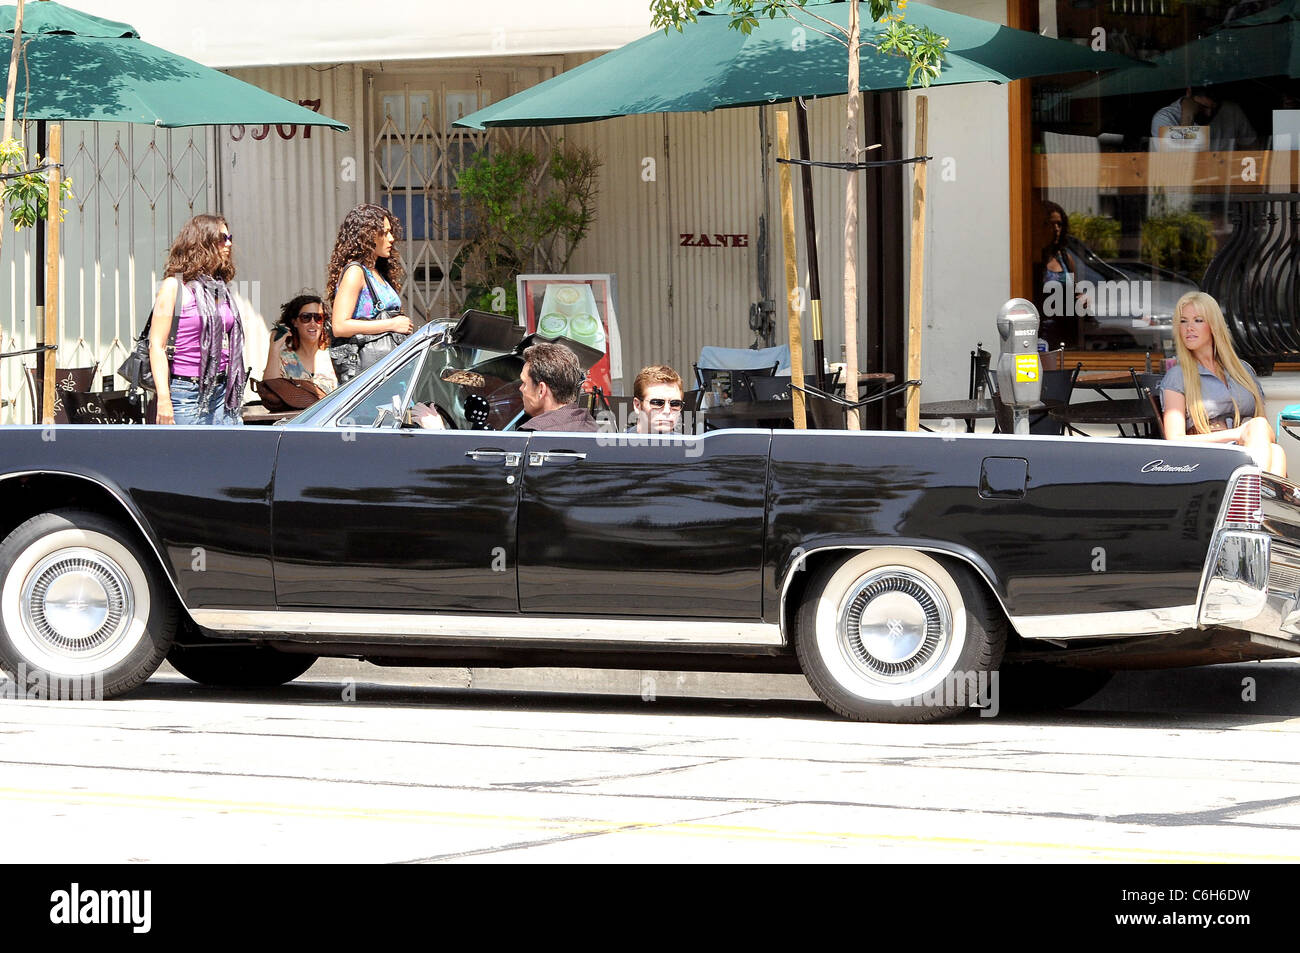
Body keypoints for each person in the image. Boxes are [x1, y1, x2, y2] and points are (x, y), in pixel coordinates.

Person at [1160, 291, 1286, 476]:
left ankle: (1250, 498)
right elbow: (1174, 439)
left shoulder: (1243, 371)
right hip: (1205, 458)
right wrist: (1237, 434)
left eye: (1198, 320)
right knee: (1271, 446)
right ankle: (1252, 498)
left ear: (1213, 326)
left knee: (1275, 450)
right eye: (1183, 321)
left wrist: (1248, 433)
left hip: (1244, 450)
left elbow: (1267, 432)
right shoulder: (1177, 376)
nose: (1189, 328)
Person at [148, 214, 247, 425]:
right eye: (221, 238)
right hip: (188, 394)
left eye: (229, 237)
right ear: (202, 242)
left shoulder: (220, 288)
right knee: (191, 457)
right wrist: (164, 400)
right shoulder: (174, 287)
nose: (228, 243)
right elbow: (157, 345)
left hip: (223, 392)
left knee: (231, 456)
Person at [324, 204, 414, 380]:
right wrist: (392, 325)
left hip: (389, 368)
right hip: (370, 375)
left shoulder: (377, 272)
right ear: (368, 235)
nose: (391, 239)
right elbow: (340, 326)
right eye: (385, 232)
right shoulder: (355, 272)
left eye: (391, 232)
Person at [264, 292, 337, 395]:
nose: (313, 323)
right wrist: (274, 348)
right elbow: (269, 390)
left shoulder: (334, 356)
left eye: (318, 318)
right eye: (306, 317)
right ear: (295, 322)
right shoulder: (283, 359)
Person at [518, 341, 598, 432]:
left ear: (541, 390)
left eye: (524, 383)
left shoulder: (533, 435)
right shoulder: (591, 426)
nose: (520, 388)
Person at [1150, 87, 1257, 149]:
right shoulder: (1165, 118)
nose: (1209, 113)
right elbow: (1177, 161)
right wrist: (1188, 117)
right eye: (1203, 107)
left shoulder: (1231, 110)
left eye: (1214, 108)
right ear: (1189, 93)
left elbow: (1251, 147)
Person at [629, 365, 686, 434]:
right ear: (637, 405)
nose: (667, 411)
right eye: (657, 403)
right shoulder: (615, 444)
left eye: (675, 404)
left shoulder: (691, 443)